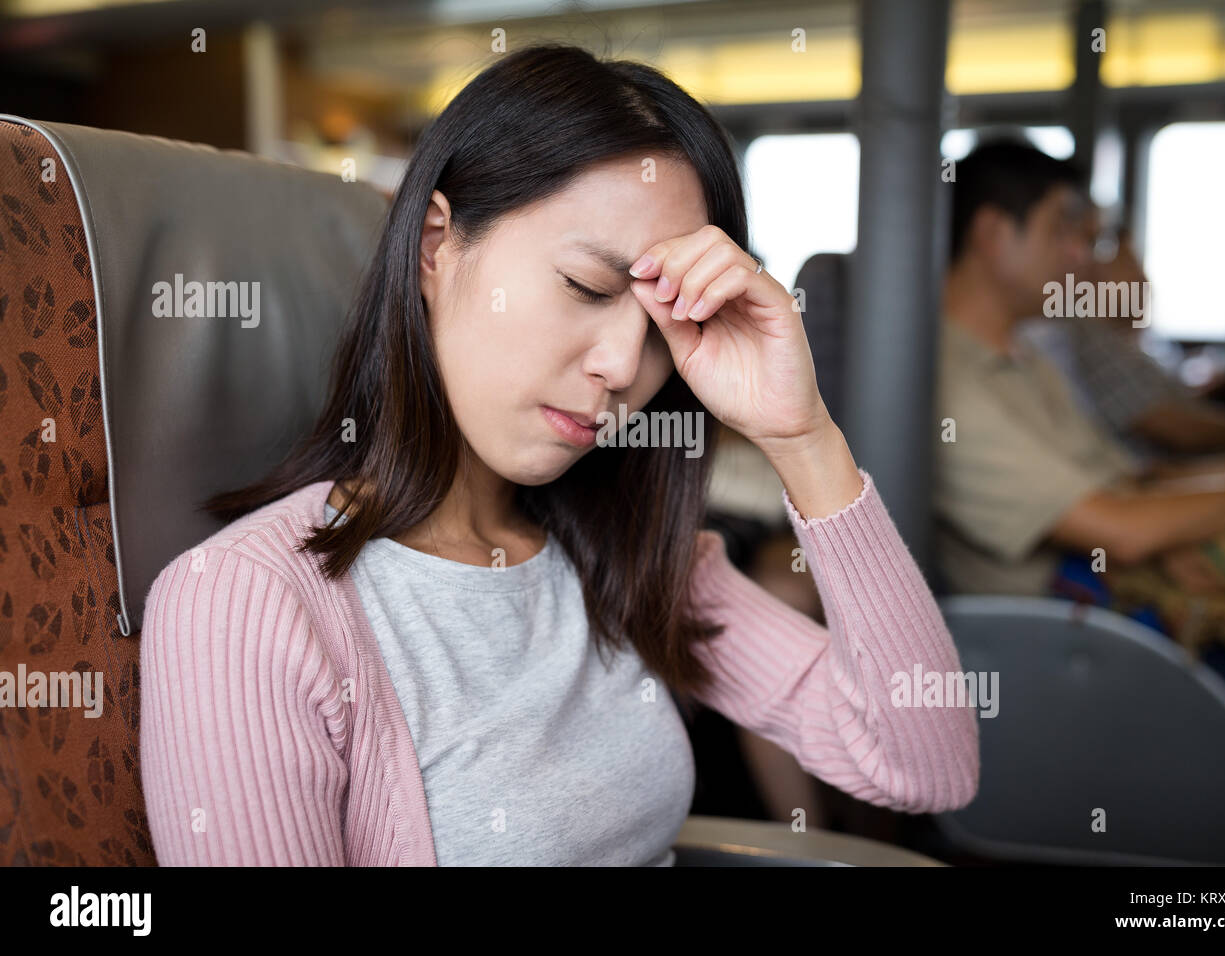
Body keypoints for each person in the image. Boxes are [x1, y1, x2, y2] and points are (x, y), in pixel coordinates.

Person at [138, 42, 978, 867]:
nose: (622, 367)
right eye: (585, 287)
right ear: (437, 245)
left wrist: (803, 438)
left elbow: (921, 764)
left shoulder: (631, 557)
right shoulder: (246, 605)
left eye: (662, 329)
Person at [934, 138, 1225, 740]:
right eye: (1063, 230)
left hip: (1124, 599)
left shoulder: (1023, 357)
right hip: (1089, 629)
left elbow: (1136, 484)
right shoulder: (953, 384)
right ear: (994, 232)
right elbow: (1124, 533)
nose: (1081, 254)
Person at [1019, 217, 1225, 464]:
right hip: (1169, 478)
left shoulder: (1124, 343)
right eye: (1129, 266)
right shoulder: (1092, 340)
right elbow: (1175, 429)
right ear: (1093, 276)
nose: (1144, 281)